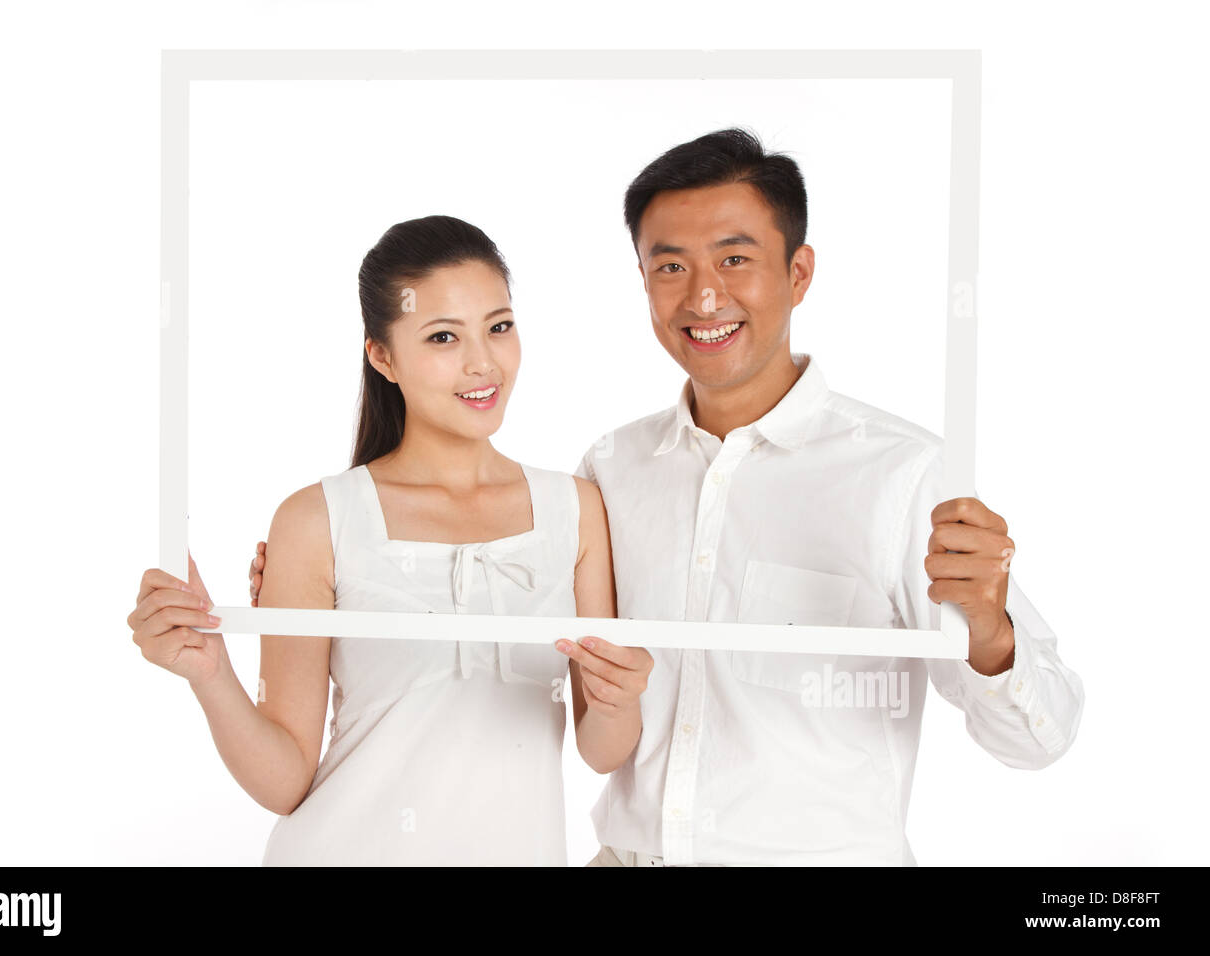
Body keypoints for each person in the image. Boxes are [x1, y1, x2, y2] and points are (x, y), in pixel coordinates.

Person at [249, 130, 1086, 867]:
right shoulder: (610, 473)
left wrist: (989, 631)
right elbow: (580, 704)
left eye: (735, 259)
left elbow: (1040, 739)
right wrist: (325, 577)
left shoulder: (903, 475)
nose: (704, 296)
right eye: (670, 267)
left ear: (799, 273)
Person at [128, 215, 653, 865]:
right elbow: (286, 779)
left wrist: (620, 697)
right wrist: (210, 673)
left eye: (499, 326)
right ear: (382, 356)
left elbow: (601, 750)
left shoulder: (576, 509)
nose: (481, 362)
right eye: (441, 336)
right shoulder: (316, 520)